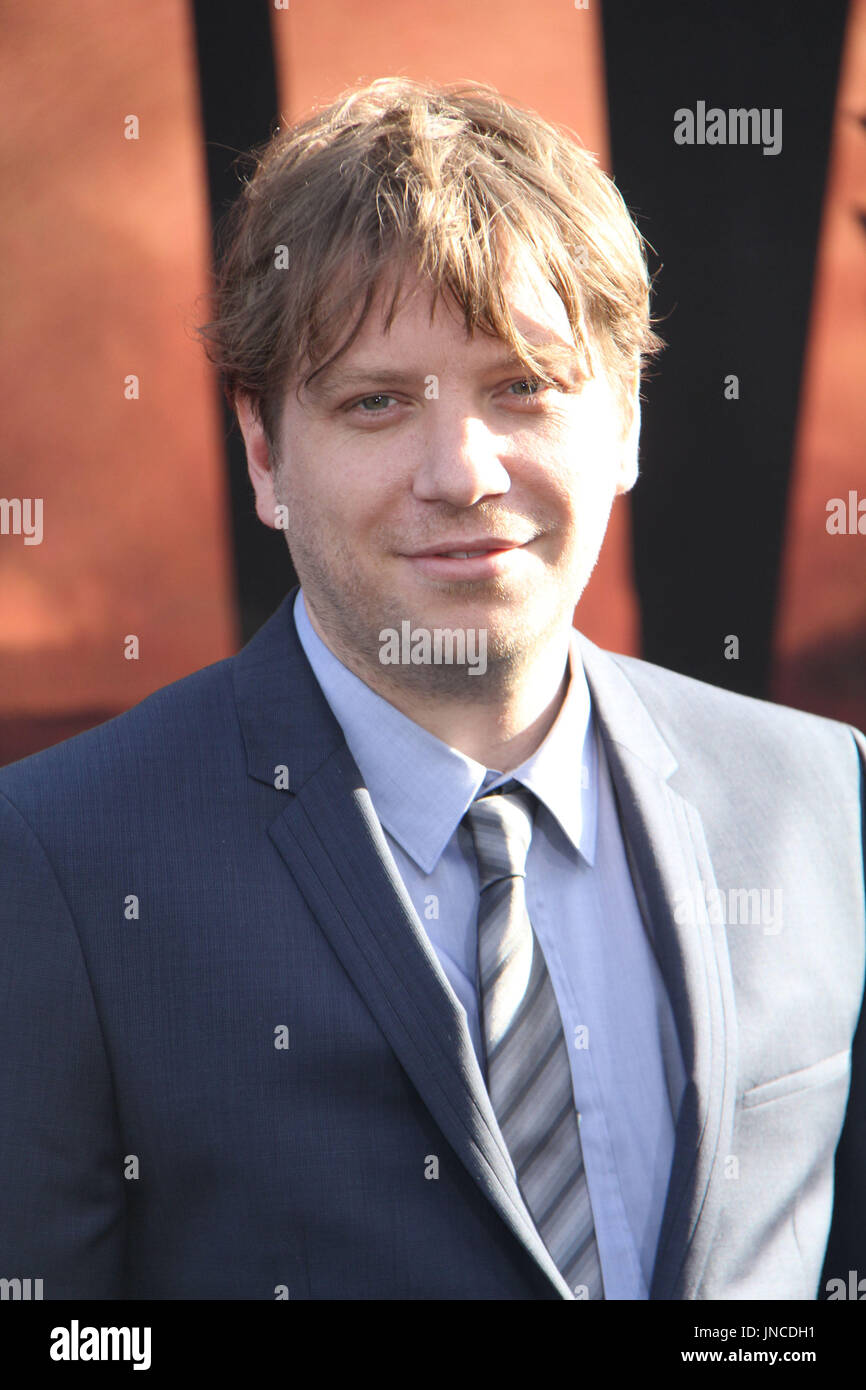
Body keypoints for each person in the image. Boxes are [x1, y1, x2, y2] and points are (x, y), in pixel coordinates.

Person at [1, 76, 864, 1302]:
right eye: (376, 402)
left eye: (520, 385)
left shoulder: (817, 796)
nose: (460, 471)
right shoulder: (62, 864)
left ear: (623, 415)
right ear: (264, 453)